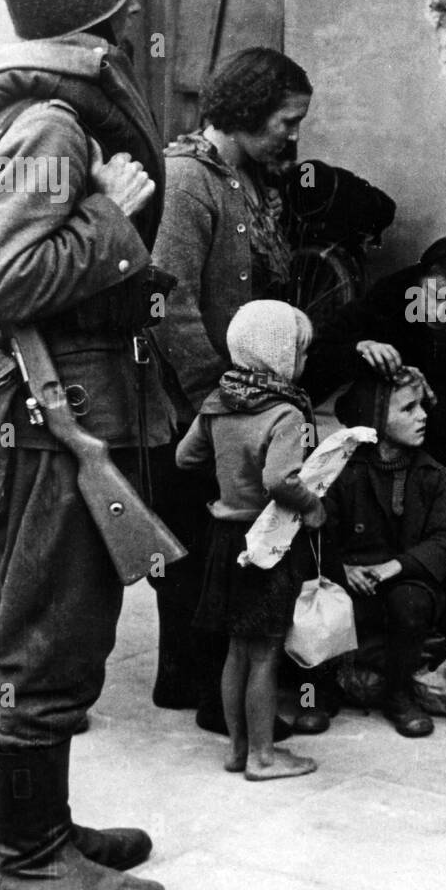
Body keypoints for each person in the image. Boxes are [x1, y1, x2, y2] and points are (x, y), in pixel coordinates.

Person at [0, 0, 173, 890]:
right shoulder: (50, 119)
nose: (136, 17)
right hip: (56, 411)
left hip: (69, 401)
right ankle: (31, 859)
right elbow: (4, 280)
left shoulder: (51, 104)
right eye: (124, 2)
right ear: (97, 15)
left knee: (58, 627)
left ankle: (47, 828)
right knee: (49, 636)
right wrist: (111, 218)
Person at [149, 47, 329, 736]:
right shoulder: (187, 180)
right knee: (203, 546)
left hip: (230, 397)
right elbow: (168, 300)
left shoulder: (235, 177)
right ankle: (209, 695)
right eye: (286, 119)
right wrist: (216, 397)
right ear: (248, 110)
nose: (292, 134)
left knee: (201, 543)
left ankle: (185, 679)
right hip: (200, 403)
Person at [178, 301, 324, 779]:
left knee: (236, 650)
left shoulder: (218, 402)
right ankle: (264, 757)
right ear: (280, 354)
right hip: (266, 541)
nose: (303, 361)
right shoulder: (285, 412)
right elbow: (281, 479)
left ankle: (237, 750)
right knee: (265, 652)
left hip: (223, 537)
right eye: (300, 352)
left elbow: (185, 458)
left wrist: (229, 472)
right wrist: (312, 505)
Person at [303, 235, 446, 490]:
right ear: (419, 281)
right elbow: (317, 359)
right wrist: (360, 350)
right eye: (434, 296)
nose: (439, 313)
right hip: (377, 440)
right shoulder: (393, 294)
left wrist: (428, 409)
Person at [326, 367, 446, 738]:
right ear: (375, 418)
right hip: (352, 580)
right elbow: (319, 534)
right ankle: (321, 693)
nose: (422, 416)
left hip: (407, 581)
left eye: (422, 406)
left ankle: (398, 694)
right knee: (323, 603)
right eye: (408, 409)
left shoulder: (435, 476)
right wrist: (343, 569)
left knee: (409, 606)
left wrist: (396, 566)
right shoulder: (343, 472)